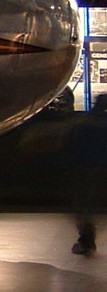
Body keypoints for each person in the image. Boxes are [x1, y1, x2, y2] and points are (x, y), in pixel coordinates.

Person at [70, 94, 107, 255]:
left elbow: (75, 145)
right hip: (99, 166)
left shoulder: (85, 123)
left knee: (84, 205)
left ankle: (86, 238)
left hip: (85, 167)